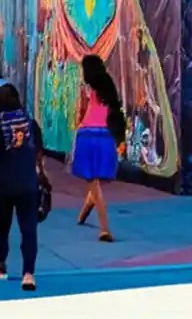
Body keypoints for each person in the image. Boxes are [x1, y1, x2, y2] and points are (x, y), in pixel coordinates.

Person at [0, 83, 48, 291]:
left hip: (1, 185)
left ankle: (1, 265)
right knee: (29, 229)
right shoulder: (30, 124)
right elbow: (38, 157)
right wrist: (42, 177)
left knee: (2, 226)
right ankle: (28, 274)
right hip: (27, 183)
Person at [73, 54, 124, 242]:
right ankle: (83, 214)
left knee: (93, 181)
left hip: (87, 134)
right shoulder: (109, 89)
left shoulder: (89, 90)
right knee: (96, 182)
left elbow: (82, 114)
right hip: (105, 135)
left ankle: (104, 229)